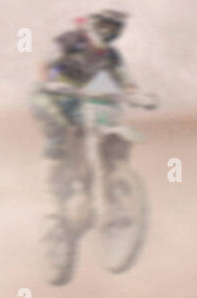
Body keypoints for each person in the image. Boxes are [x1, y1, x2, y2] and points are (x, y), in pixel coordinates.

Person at [30, 9, 146, 205]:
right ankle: (48, 197)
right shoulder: (70, 40)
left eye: (115, 27)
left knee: (102, 126)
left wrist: (137, 96)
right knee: (58, 132)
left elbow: (126, 80)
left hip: (84, 100)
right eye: (105, 25)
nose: (109, 31)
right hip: (53, 96)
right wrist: (47, 83)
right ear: (92, 23)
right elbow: (44, 64)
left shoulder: (112, 55)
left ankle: (100, 179)